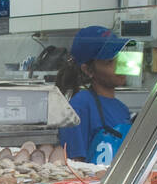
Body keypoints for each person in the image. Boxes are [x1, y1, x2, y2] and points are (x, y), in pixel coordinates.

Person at [56, 26, 133, 164]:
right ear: (88, 70)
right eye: (110, 61)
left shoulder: (123, 109)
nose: (120, 65)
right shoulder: (77, 108)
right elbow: (74, 165)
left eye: (120, 57)